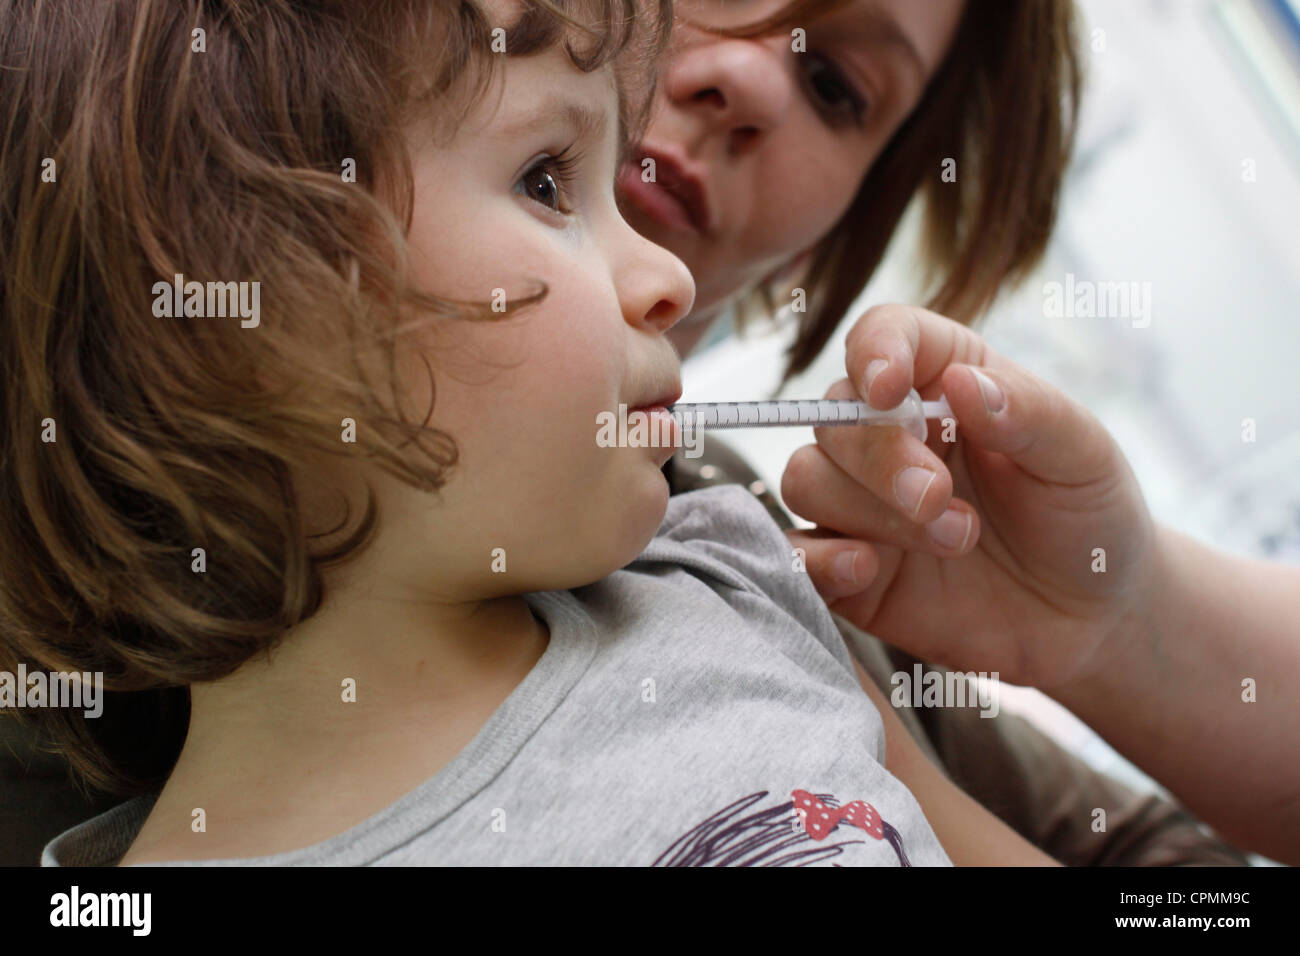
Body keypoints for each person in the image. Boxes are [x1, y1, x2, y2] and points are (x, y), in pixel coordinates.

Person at [4, 0, 1059, 866]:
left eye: (834, 86)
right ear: (251, 302)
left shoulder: (726, 572)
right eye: (548, 181)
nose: (668, 279)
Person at [615, 0, 1255, 863]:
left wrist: (1107, 628)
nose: (750, 80)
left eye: (834, 87)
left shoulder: (738, 535)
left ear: (824, 243)